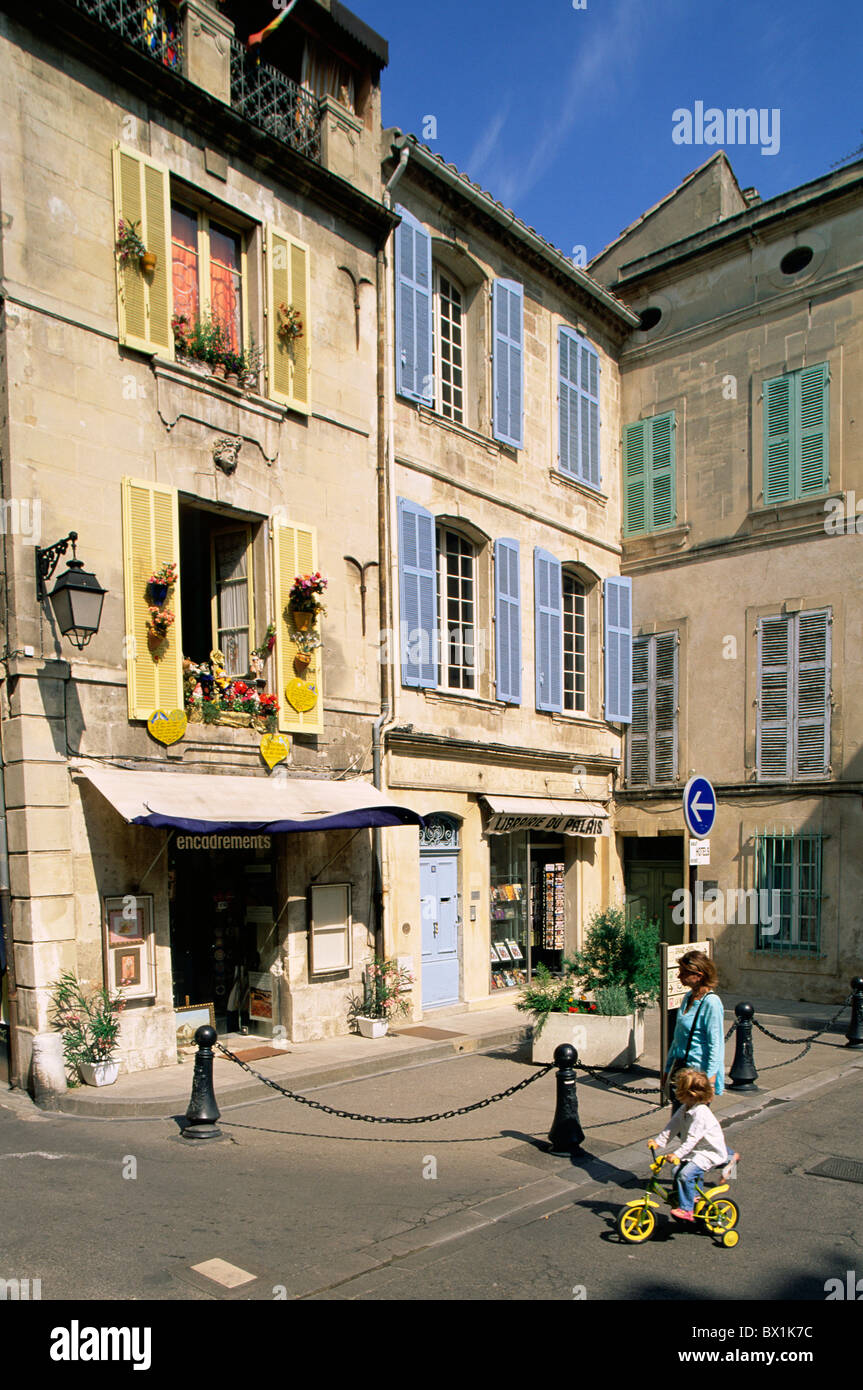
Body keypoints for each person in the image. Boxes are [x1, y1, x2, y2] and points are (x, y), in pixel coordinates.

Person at [649, 1067, 739, 1221]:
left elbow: (692, 1139)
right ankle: (693, 1196)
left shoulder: (701, 1113)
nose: (677, 1094)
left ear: (690, 1094)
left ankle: (687, 1209)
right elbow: (673, 1125)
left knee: (685, 1174)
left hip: (708, 1152)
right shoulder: (686, 1108)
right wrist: (658, 1142)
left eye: (680, 1091)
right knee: (676, 1170)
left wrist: (676, 1154)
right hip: (696, 1151)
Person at [661, 949, 725, 1100]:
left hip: (698, 1079)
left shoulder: (711, 1003)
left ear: (698, 975)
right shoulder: (688, 997)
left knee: (695, 1122)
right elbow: (677, 1040)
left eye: (683, 973)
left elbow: (715, 1045)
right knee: (680, 1120)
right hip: (682, 1073)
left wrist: (709, 1080)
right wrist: (667, 1070)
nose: (679, 976)